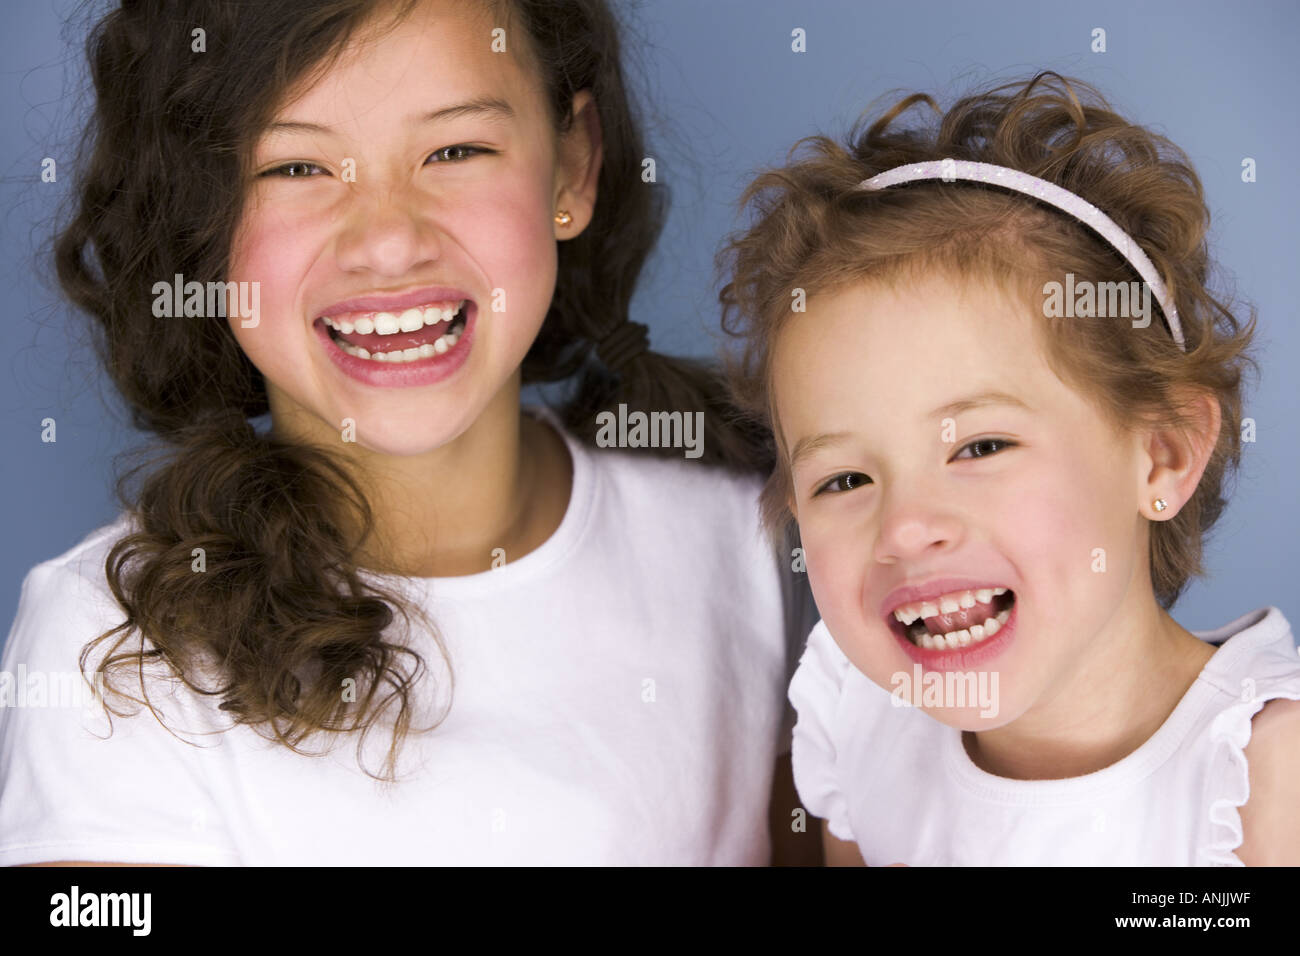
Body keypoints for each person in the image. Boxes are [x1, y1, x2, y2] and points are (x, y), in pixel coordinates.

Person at [0, 0, 815, 866]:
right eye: (297, 167)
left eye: (455, 151)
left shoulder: (764, 543)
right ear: (195, 212)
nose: (389, 243)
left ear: (573, 167)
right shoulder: (112, 642)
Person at [717, 72, 1300, 865]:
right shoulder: (857, 717)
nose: (907, 527)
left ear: (1161, 452)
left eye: (979, 447)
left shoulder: (1265, 781)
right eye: (843, 480)